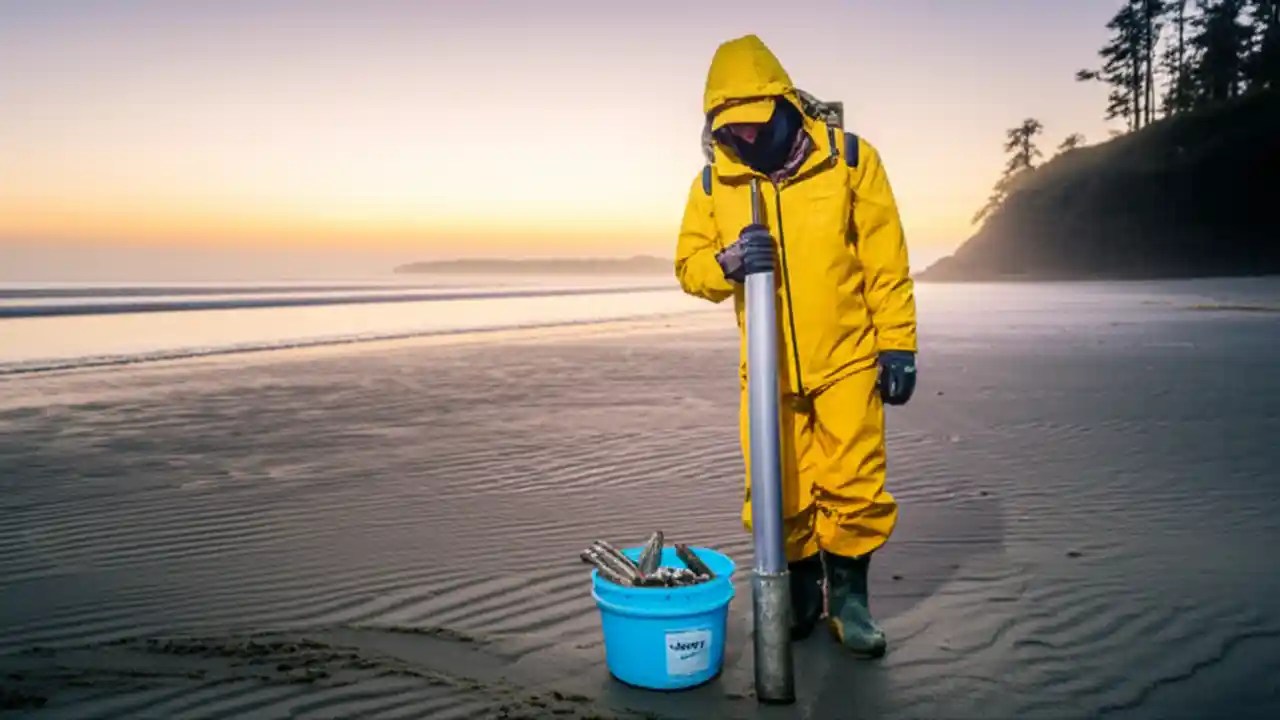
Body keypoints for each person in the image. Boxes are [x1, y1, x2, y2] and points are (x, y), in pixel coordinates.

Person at [674, 34, 918, 658]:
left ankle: (852, 601)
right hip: (767, 367)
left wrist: (898, 345)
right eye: (734, 129)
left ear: (786, 103)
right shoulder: (712, 185)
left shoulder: (851, 160)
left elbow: (883, 263)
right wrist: (726, 262)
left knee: (854, 481)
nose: (747, 139)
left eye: (757, 125)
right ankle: (804, 597)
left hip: (847, 355)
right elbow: (688, 266)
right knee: (777, 485)